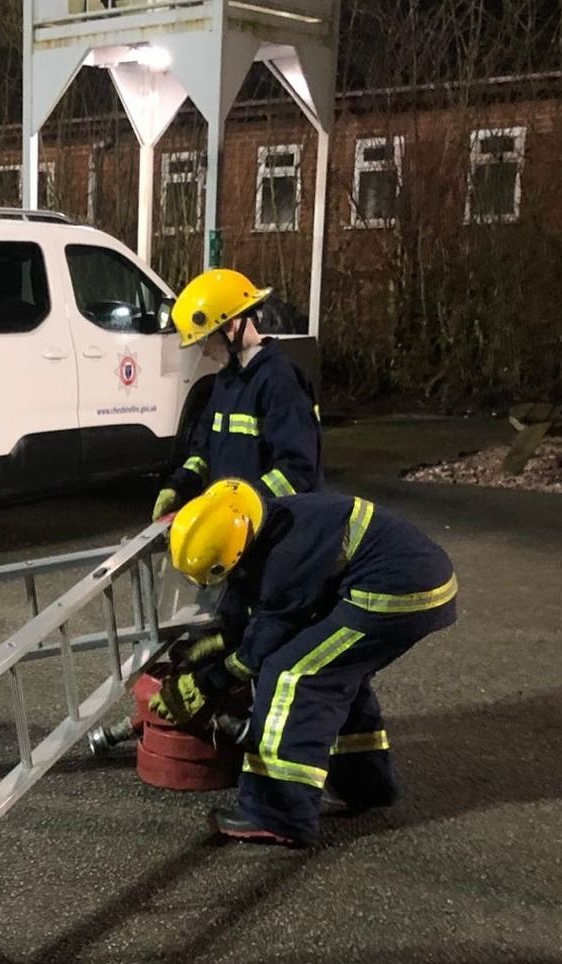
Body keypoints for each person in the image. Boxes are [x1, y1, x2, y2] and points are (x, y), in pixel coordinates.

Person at [150, 479, 458, 848]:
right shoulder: (259, 522)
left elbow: (262, 641)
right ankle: (364, 785)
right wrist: (217, 641)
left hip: (397, 594)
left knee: (294, 674)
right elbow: (248, 597)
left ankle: (278, 814)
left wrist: (207, 683)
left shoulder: (285, 556)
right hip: (407, 576)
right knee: (336, 672)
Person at [152, 268, 325, 520]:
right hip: (241, 527)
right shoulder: (227, 381)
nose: (205, 351)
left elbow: (297, 470)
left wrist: (242, 506)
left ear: (231, 325)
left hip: (280, 528)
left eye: (206, 340)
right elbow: (204, 451)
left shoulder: (280, 380)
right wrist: (179, 485)